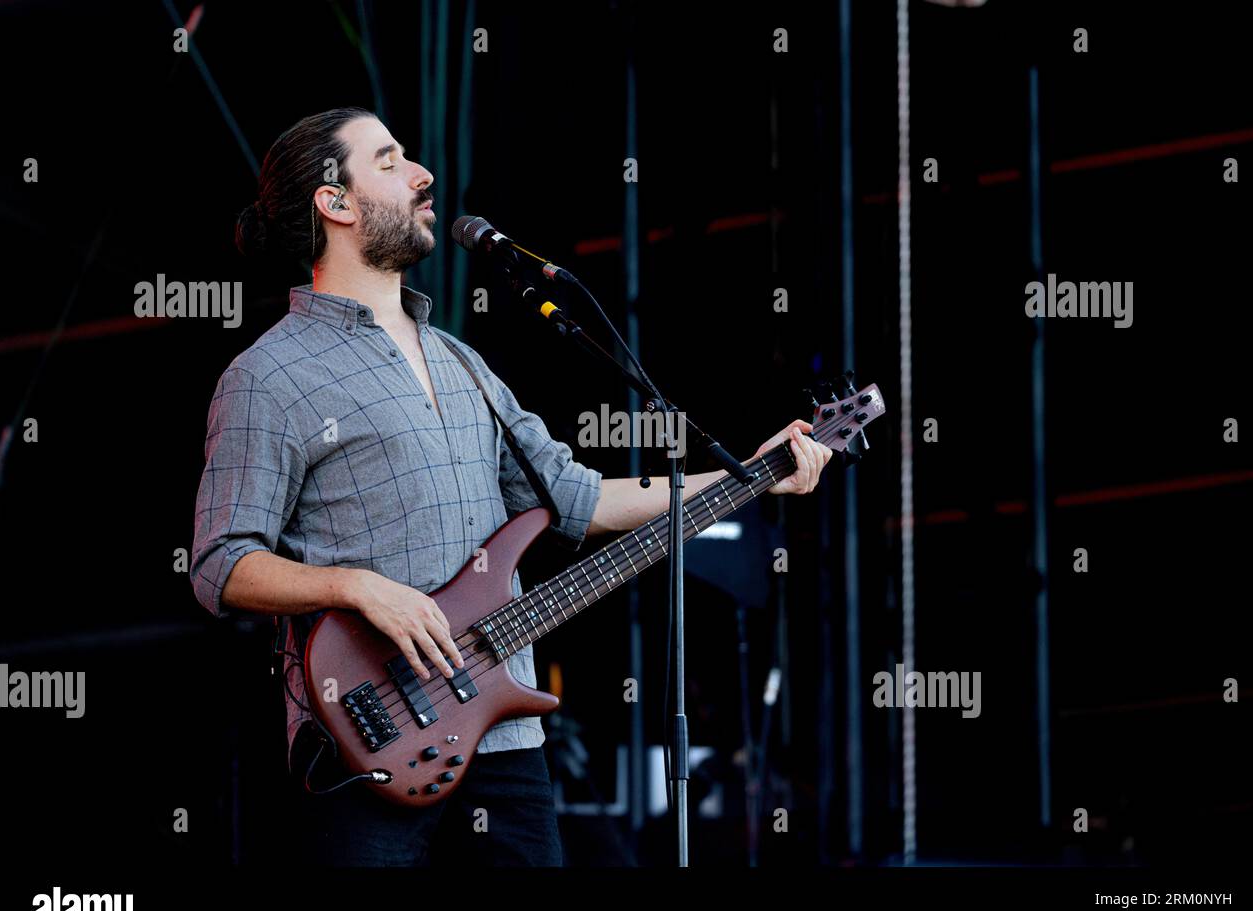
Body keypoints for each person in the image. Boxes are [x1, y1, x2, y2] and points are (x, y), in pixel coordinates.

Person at [190, 107, 833, 866]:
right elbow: (220, 564)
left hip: (505, 744)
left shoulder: (463, 363)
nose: (422, 174)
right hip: (365, 745)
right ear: (335, 202)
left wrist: (752, 475)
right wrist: (358, 587)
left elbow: (579, 498)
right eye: (389, 161)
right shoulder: (269, 374)